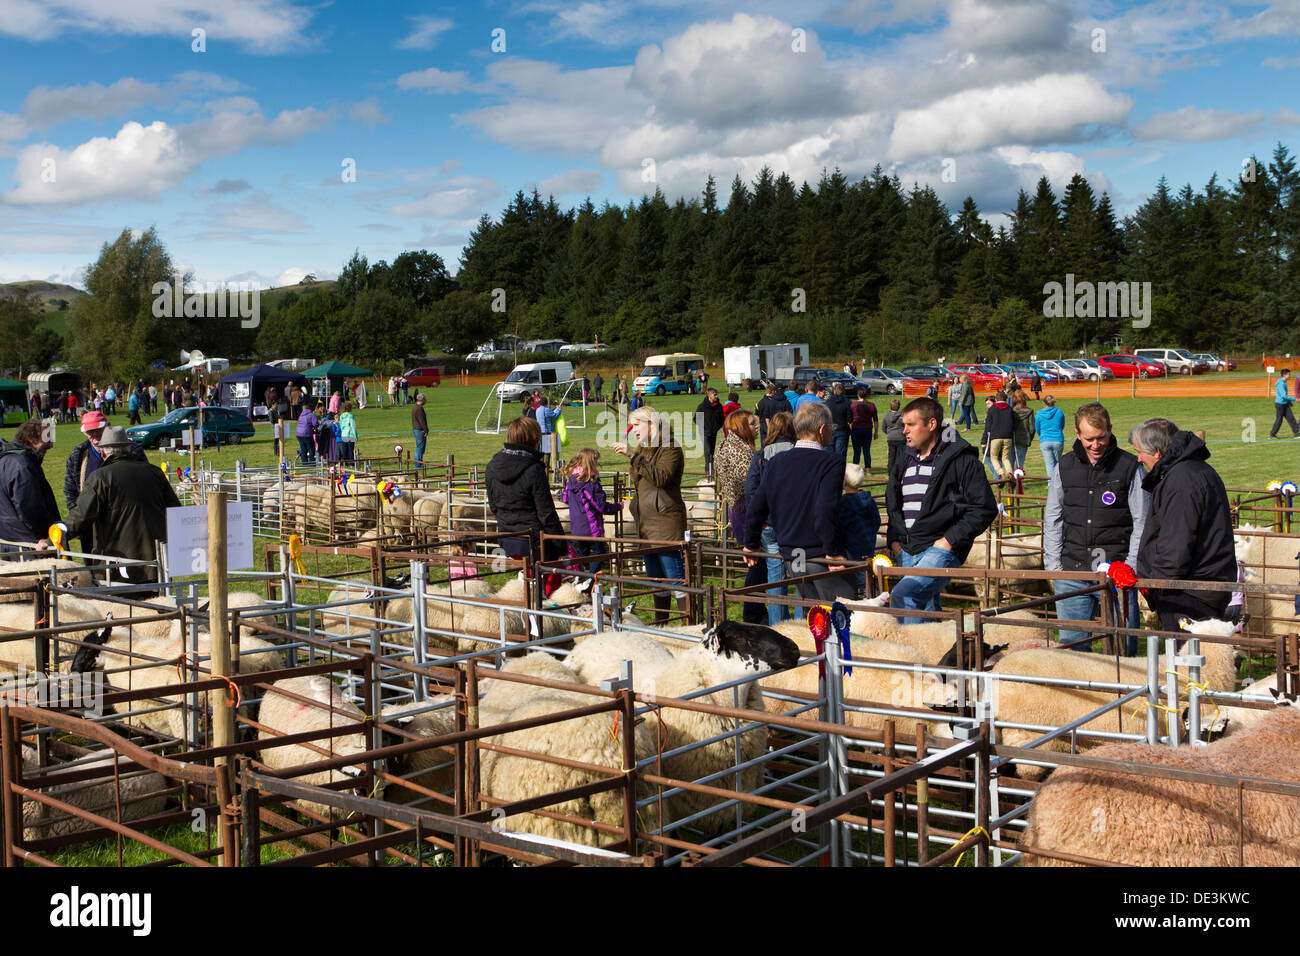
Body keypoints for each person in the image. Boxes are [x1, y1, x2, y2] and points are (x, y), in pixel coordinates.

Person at [1043, 402, 1147, 654]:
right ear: (1077, 434)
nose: (1095, 445)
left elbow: (1142, 519)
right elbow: (1053, 516)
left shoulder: (1130, 467)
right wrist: (1055, 567)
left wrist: (1129, 567)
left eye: (1101, 438)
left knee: (1122, 649)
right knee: (1073, 649)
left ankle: (1126, 693)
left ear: (1110, 430)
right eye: (1089, 439)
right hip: (1072, 572)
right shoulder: (1065, 466)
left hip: (1116, 575)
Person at [886, 397, 998, 624]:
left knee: (904, 595)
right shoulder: (904, 458)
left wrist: (949, 540)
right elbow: (894, 503)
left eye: (911, 424)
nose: (904, 430)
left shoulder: (961, 460)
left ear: (932, 424)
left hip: (939, 547)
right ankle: (934, 657)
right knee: (925, 610)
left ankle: (908, 657)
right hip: (907, 548)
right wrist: (894, 541)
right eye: (903, 425)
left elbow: (984, 507)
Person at [1130, 419, 1238, 632]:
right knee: (1195, 658)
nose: (1139, 457)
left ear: (1158, 453)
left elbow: (1176, 545)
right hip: (1199, 587)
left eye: (1140, 452)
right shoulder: (1193, 471)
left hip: (1187, 592)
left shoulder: (1181, 480)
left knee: (1185, 659)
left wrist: (1157, 586)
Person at [744, 401, 855, 602]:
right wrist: (834, 551)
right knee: (845, 616)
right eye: (832, 427)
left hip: (792, 555)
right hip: (820, 555)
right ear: (822, 430)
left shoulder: (778, 461)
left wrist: (750, 544)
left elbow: (757, 505)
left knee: (812, 616)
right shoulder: (831, 462)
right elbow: (825, 509)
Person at [55, 426, 180, 585]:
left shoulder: (99, 478)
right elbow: (175, 511)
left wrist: (55, 537)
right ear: (129, 448)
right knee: (160, 605)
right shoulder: (155, 472)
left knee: (123, 607)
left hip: (117, 563)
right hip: (156, 560)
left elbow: (81, 517)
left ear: (103, 451)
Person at [612, 405, 688, 623]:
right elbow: (639, 482)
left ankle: (689, 625)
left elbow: (661, 477)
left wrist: (631, 456)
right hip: (645, 523)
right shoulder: (642, 449)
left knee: (676, 580)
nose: (633, 429)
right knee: (656, 580)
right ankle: (661, 625)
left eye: (637, 424)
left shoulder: (670, 447)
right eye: (632, 425)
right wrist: (635, 456)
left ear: (651, 424)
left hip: (665, 524)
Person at [486, 416, 566, 579]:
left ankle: (526, 587)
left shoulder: (492, 466)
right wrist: (560, 546)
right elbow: (546, 512)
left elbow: (493, 505)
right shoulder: (534, 469)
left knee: (530, 580)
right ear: (534, 439)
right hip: (534, 541)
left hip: (506, 538)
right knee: (551, 580)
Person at [743, 410, 802, 626]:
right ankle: (802, 626)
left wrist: (761, 519)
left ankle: (778, 626)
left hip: (769, 525)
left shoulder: (761, 456)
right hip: (795, 524)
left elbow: (751, 490)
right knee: (799, 575)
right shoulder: (800, 453)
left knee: (775, 576)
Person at [713, 409, 767, 623]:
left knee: (756, 563)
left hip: (737, 509)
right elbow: (752, 484)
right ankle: (753, 614)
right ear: (742, 427)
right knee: (757, 562)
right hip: (746, 511)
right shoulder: (740, 452)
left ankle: (756, 612)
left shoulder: (728, 445)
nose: (756, 427)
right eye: (752, 424)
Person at [0, 419, 61, 554]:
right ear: (30, 439)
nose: (51, 444)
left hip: (10, 543)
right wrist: (43, 537)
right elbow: (30, 507)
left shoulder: (6, 461)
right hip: (31, 546)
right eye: (47, 438)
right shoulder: (22, 465)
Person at [561, 447, 620, 576]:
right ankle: (590, 579)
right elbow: (600, 506)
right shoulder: (591, 483)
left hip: (576, 527)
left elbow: (564, 498)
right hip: (591, 526)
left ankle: (580, 578)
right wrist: (617, 507)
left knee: (582, 554)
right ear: (591, 462)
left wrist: (576, 505)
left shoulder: (571, 481)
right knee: (600, 553)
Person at [838, 462, 882, 598]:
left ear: (844, 482)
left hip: (850, 551)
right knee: (867, 582)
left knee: (854, 585)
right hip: (868, 547)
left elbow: (840, 526)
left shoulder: (842, 504)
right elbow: (877, 521)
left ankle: (873, 610)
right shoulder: (869, 500)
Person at [982, 390, 1014, 480]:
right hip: (1008, 437)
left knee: (994, 457)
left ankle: (1001, 473)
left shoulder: (992, 409)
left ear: (996, 399)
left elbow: (987, 426)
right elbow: (1013, 423)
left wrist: (984, 440)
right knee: (1005, 458)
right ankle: (1009, 473)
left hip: (995, 437)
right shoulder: (1010, 409)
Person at [695, 387, 724, 478]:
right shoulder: (702, 406)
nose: (716, 396)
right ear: (709, 395)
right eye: (714, 394)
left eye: (716, 394)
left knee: (711, 451)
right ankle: (708, 470)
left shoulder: (719, 406)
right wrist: (704, 427)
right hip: (704, 432)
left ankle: (711, 470)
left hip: (713, 432)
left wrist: (716, 428)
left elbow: (721, 419)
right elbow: (696, 419)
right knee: (707, 451)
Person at [1035, 394, 1066, 475]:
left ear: (1044, 403)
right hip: (1058, 440)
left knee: (1049, 464)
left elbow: (1037, 428)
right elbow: (1062, 425)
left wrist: (1042, 435)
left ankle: (1051, 485)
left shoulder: (1039, 414)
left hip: (1045, 440)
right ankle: (1059, 483)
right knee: (1058, 463)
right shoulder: (1059, 412)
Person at [850, 387, 878, 468]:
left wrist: (850, 429)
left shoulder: (853, 405)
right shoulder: (871, 405)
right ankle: (868, 469)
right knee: (866, 451)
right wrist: (875, 432)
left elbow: (850, 419)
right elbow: (875, 420)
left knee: (856, 451)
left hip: (856, 429)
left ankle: (855, 469)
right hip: (867, 430)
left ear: (858, 395)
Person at [1010, 389, 1035, 471]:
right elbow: (1032, 428)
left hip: (1011, 438)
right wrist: (1029, 437)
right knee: (1020, 463)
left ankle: (1011, 481)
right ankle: (1018, 481)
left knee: (1010, 462)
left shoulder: (1010, 411)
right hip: (1023, 438)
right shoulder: (1029, 411)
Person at [1270, 368, 1299, 438]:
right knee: (1279, 420)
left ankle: (1296, 433)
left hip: (1285, 404)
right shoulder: (1281, 383)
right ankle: (1272, 434)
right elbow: (1283, 395)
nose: (1290, 375)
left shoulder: (1284, 382)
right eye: (1289, 374)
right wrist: (1295, 399)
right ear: (1284, 375)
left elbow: (1285, 395)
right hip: (1280, 405)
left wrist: (1289, 402)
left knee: (1291, 418)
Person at [826, 382, 852, 459]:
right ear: (844, 391)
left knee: (830, 452)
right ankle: (839, 469)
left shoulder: (828, 402)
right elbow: (850, 418)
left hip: (830, 429)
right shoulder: (847, 402)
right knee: (840, 453)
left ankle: (830, 469)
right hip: (842, 429)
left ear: (834, 391)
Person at [882, 398, 904, 476]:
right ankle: (900, 472)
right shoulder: (902, 417)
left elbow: (883, 428)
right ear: (898, 406)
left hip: (891, 438)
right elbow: (906, 426)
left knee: (891, 457)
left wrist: (889, 433)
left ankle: (891, 473)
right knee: (900, 456)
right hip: (901, 438)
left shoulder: (886, 416)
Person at [296, 397, 319, 463]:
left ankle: (304, 462)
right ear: (311, 408)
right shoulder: (311, 415)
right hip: (306, 434)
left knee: (303, 448)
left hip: (298, 434)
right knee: (311, 447)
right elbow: (315, 424)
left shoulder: (301, 414)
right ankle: (312, 461)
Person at [411, 393, 429, 468]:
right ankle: (418, 465)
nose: (426, 400)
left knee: (419, 447)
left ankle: (419, 463)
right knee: (419, 448)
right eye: (425, 399)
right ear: (422, 400)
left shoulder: (414, 407)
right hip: (420, 430)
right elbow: (422, 421)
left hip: (416, 429)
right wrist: (425, 430)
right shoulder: (419, 408)